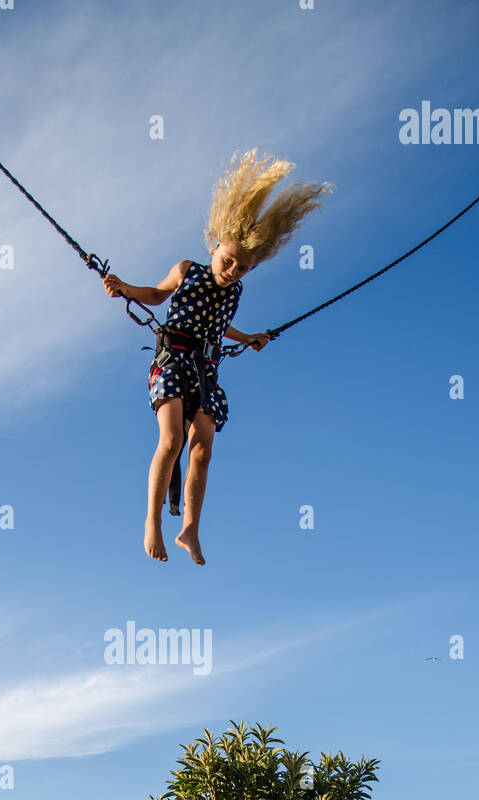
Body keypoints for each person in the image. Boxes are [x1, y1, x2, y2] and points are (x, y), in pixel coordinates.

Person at [104, 150, 331, 565]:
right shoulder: (188, 269)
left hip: (206, 372)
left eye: (241, 268)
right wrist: (126, 289)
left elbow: (219, 326)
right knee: (171, 439)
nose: (231, 271)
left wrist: (250, 337)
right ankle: (152, 522)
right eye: (228, 261)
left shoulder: (235, 293)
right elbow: (156, 295)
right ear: (215, 246)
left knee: (203, 452)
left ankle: (190, 527)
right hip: (173, 360)